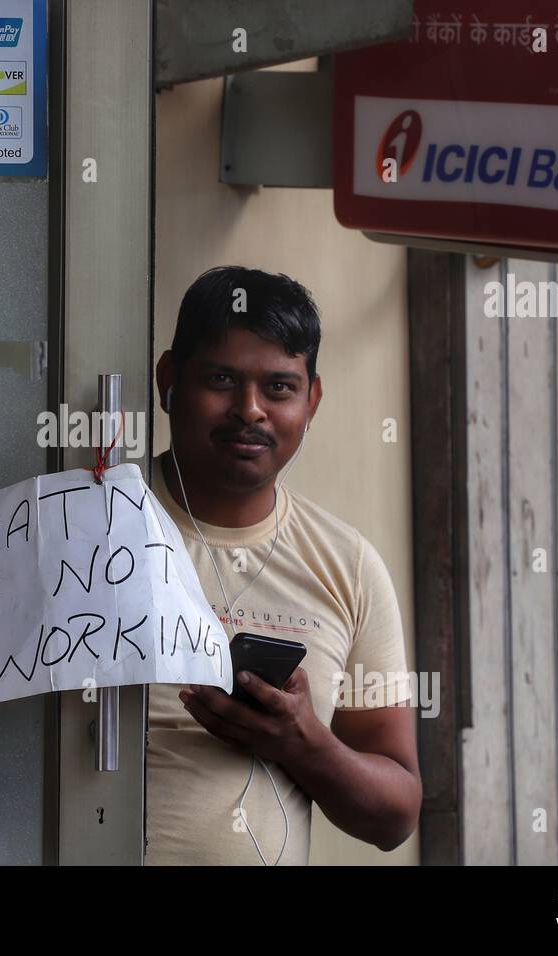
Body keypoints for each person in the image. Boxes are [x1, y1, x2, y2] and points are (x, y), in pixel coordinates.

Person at [146, 265, 422, 865]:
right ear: (169, 380)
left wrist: (305, 746)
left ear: (311, 399)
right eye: (221, 379)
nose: (250, 410)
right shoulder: (89, 528)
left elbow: (396, 813)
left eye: (279, 387)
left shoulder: (348, 568)